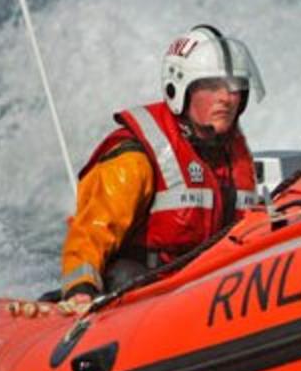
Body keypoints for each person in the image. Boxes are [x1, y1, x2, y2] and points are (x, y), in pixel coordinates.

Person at [59, 25, 265, 303]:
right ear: (180, 89)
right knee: (125, 276)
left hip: (209, 286)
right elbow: (91, 233)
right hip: (142, 292)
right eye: (212, 86)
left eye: (235, 87)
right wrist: (80, 290)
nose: (226, 98)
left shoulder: (233, 152)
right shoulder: (135, 157)